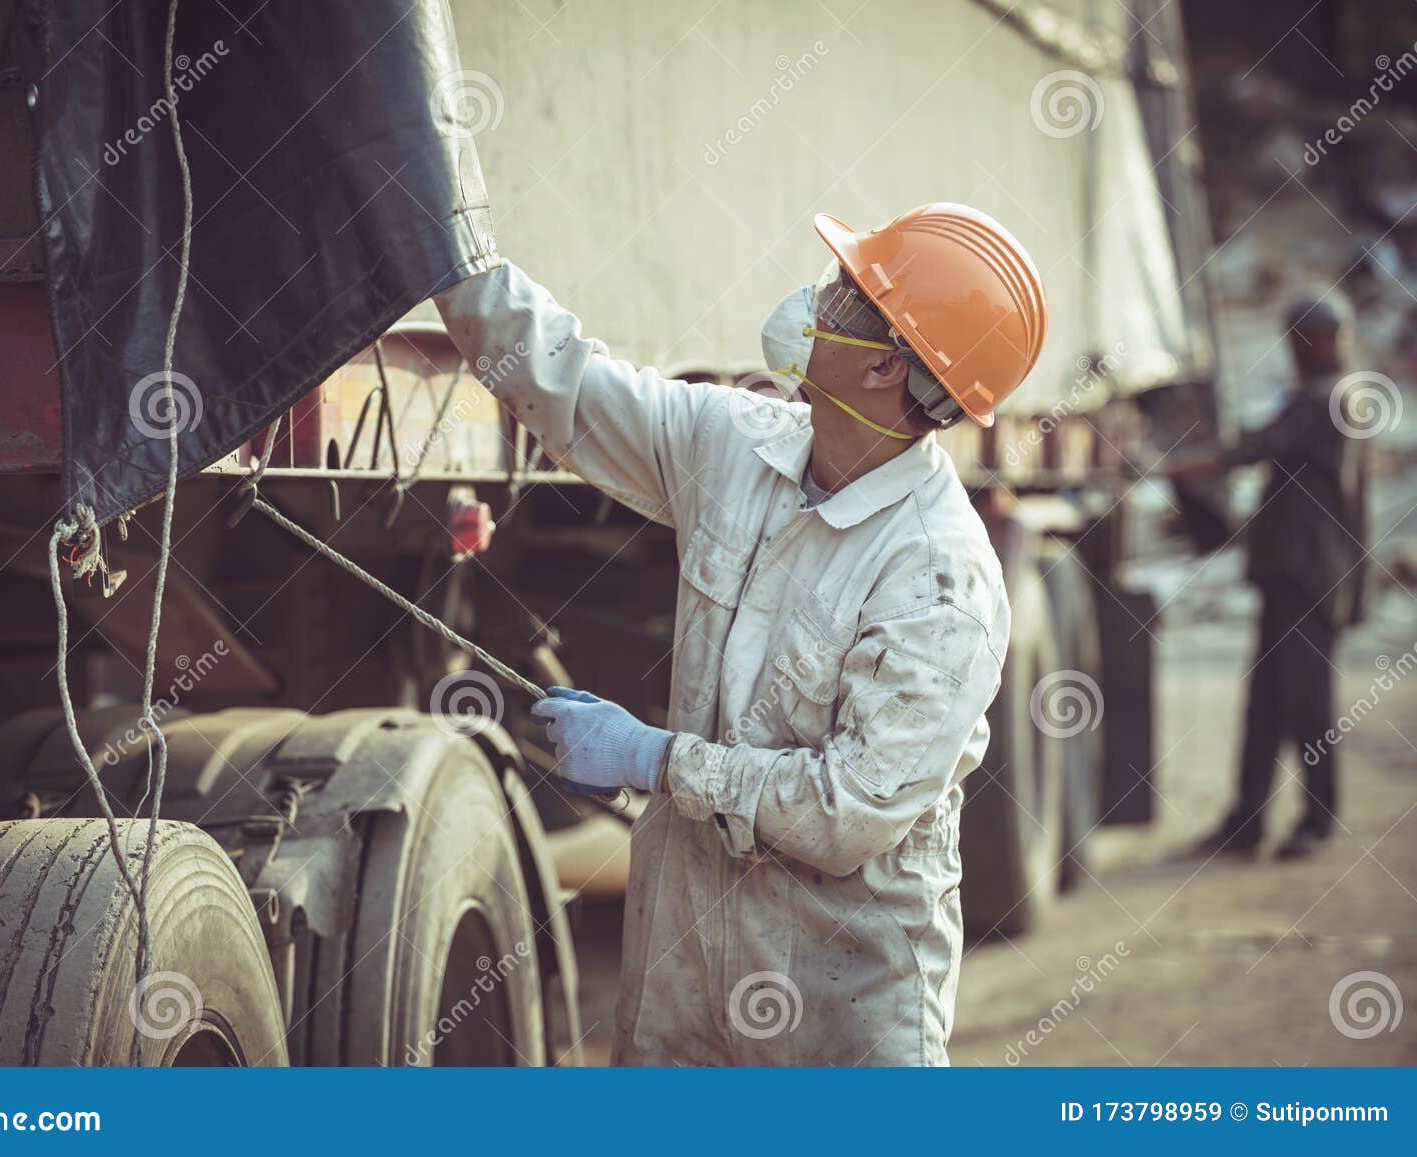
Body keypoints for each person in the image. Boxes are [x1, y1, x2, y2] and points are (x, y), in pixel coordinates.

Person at [436, 206, 1047, 1065]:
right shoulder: (735, 446)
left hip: (839, 1022)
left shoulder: (938, 579)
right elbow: (566, 384)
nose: (816, 301)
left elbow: (847, 810)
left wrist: (654, 758)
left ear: (883, 365)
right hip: (681, 998)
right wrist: (445, 244)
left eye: (846, 294)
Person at [1164, 293, 1369, 860]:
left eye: (1302, 338)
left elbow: (1255, 447)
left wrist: (1172, 465)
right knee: (1266, 704)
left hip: (1309, 578)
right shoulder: (1327, 396)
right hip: (1288, 578)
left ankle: (1316, 822)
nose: (1296, 350)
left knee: (1308, 705)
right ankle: (1247, 822)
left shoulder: (1329, 400)